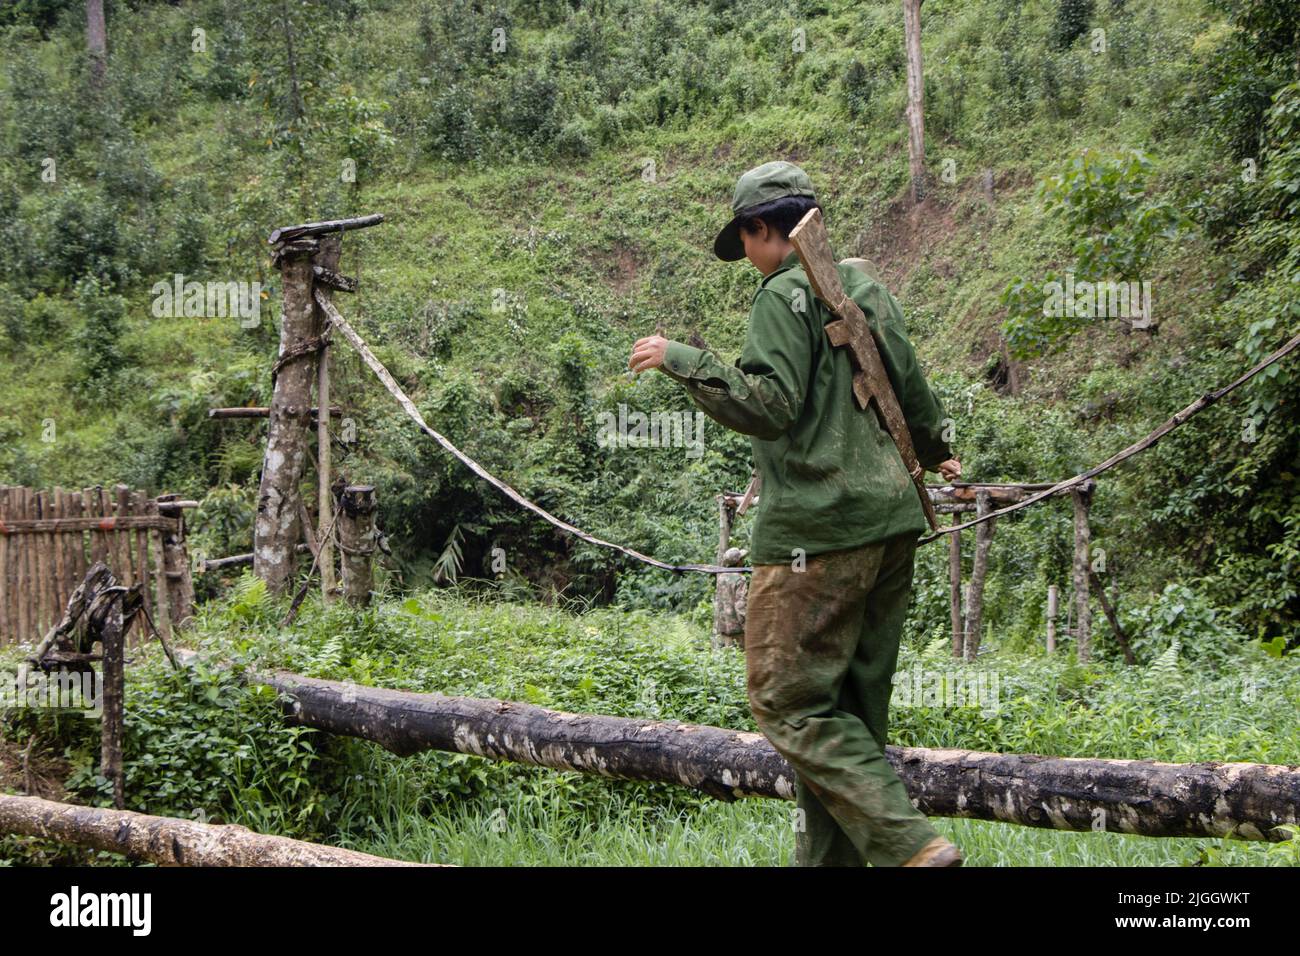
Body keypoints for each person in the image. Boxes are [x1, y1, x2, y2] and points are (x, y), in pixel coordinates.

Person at [627, 160, 963, 867]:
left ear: (761, 229)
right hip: (893, 523)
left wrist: (680, 357)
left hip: (818, 533)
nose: (745, 257)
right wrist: (936, 450)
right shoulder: (861, 281)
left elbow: (769, 407)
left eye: (745, 240)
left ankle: (910, 844)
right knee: (851, 723)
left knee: (786, 702)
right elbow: (905, 372)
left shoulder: (782, 296)